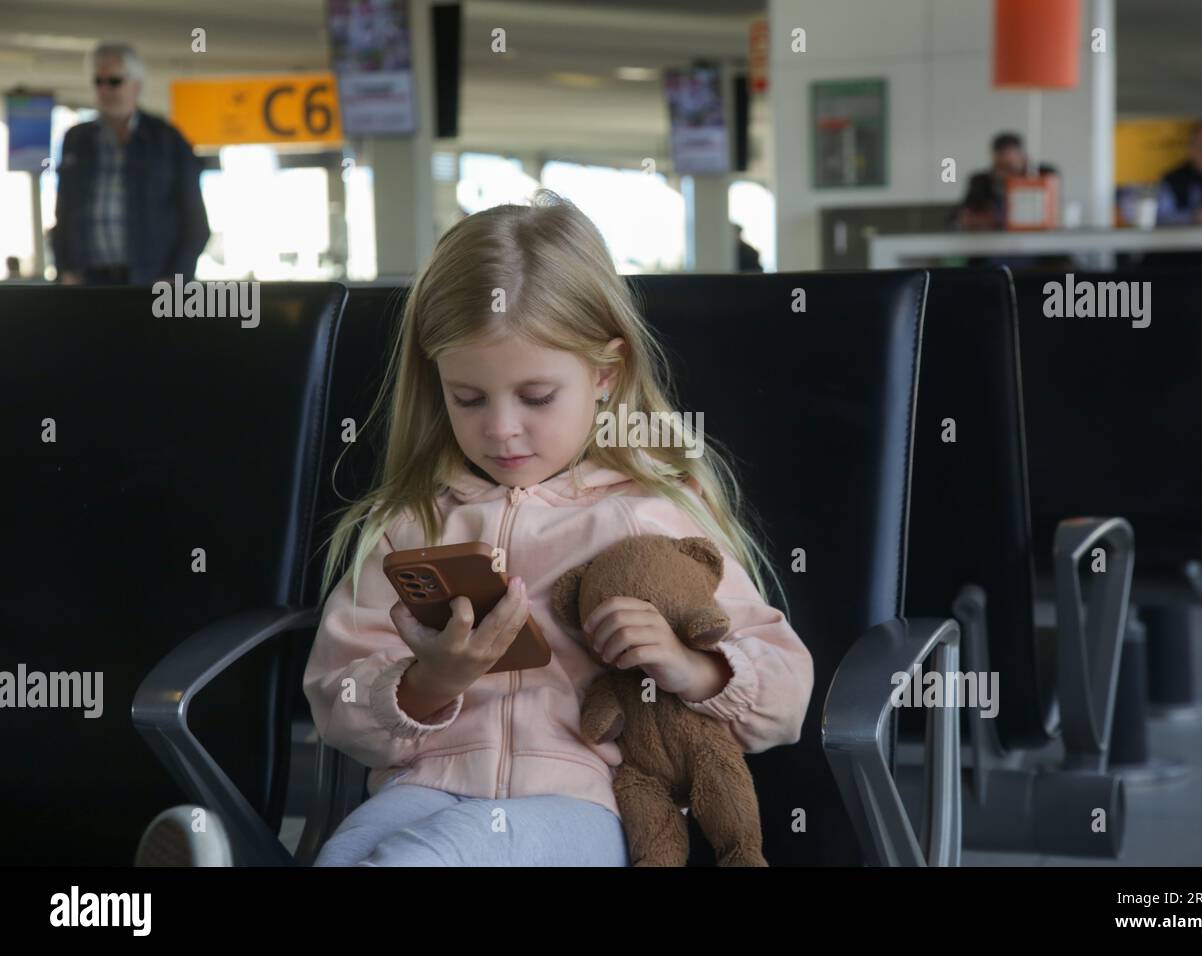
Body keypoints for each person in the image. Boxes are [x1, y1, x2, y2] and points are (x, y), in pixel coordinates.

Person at [137, 189, 813, 867]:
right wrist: (428, 684)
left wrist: (687, 664)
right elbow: (335, 699)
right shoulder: (412, 522)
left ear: (605, 375)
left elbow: (785, 695)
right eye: (468, 398)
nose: (501, 429)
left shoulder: (655, 512)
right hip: (418, 787)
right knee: (354, 858)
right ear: (436, 386)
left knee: (426, 857)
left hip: (582, 807)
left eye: (536, 397)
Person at [50, 42, 209, 286]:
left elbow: (195, 222)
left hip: (153, 282)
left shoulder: (167, 140)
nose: (105, 89)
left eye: (114, 81)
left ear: (136, 84)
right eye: (98, 81)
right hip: (87, 284)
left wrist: (175, 278)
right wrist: (66, 270)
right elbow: (63, 214)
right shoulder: (76, 140)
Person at [956, 131, 1058, 231]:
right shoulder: (980, 181)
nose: (1004, 173)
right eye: (999, 167)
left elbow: (1052, 213)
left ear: (1024, 158)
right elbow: (964, 215)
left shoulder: (1044, 175)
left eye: (1009, 167)